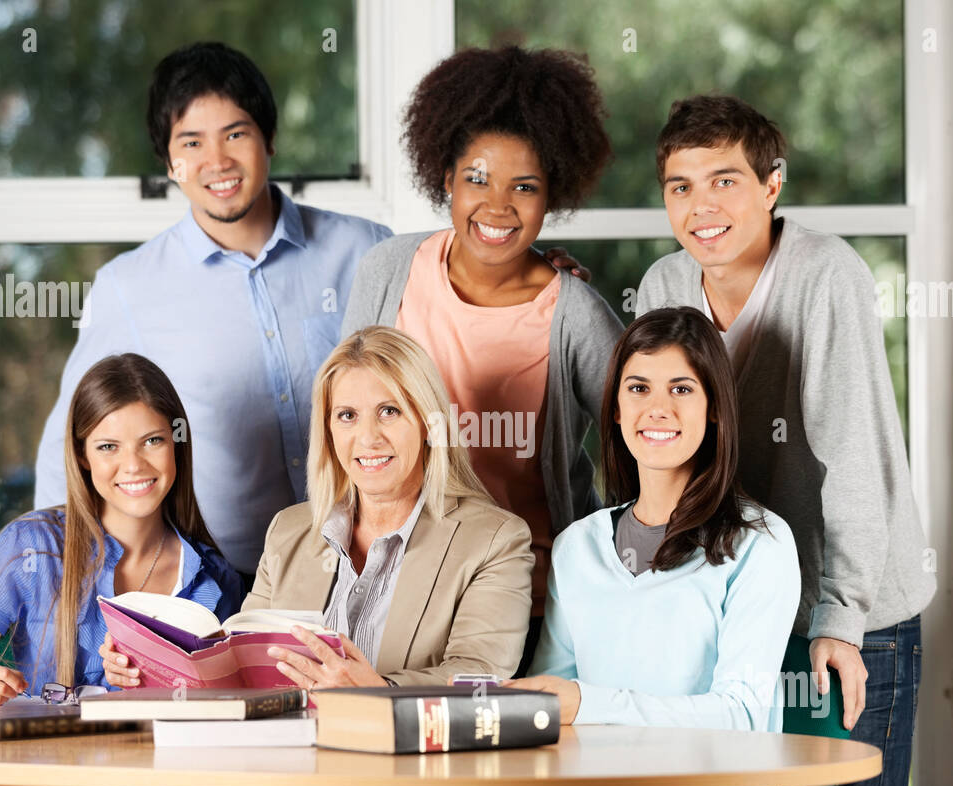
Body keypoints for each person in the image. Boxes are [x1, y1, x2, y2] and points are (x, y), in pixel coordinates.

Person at [35, 42, 584, 582]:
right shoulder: (128, 286)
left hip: (371, 570)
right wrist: (50, 585)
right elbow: (70, 445)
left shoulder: (367, 252)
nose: (218, 160)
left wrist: (526, 268)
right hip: (218, 583)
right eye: (191, 143)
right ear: (169, 162)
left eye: (235, 134)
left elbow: (458, 310)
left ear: (269, 138)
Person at [633, 94, 936, 786]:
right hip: (743, 611)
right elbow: (664, 448)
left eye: (724, 181)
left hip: (854, 608)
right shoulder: (668, 282)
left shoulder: (826, 276)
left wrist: (840, 617)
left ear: (773, 185)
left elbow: (854, 459)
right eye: (680, 186)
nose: (701, 206)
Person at [340, 46, 624, 678]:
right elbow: (345, 420)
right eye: (477, 179)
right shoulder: (388, 272)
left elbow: (644, 437)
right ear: (445, 177)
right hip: (394, 597)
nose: (498, 207)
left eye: (524, 186)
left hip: (523, 609)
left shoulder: (573, 312)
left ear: (553, 195)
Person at [509, 309, 800, 786]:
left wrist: (588, 704)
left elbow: (739, 717)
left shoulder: (761, 544)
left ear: (714, 410)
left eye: (682, 388)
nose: (658, 408)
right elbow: (552, 699)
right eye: (638, 387)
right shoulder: (578, 548)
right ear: (616, 410)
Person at [103, 327, 533, 689]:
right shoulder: (289, 530)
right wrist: (151, 666)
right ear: (327, 430)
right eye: (346, 415)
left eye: (389, 411)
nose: (368, 438)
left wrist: (377, 691)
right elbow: (237, 660)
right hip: (289, 762)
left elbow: (480, 676)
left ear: (427, 423)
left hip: (407, 766)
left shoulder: (494, 540)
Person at [0, 354, 243, 705]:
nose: (132, 465)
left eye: (152, 441)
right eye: (108, 447)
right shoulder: (32, 548)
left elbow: (224, 709)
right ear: (82, 455)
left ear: (176, 443)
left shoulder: (216, 581)